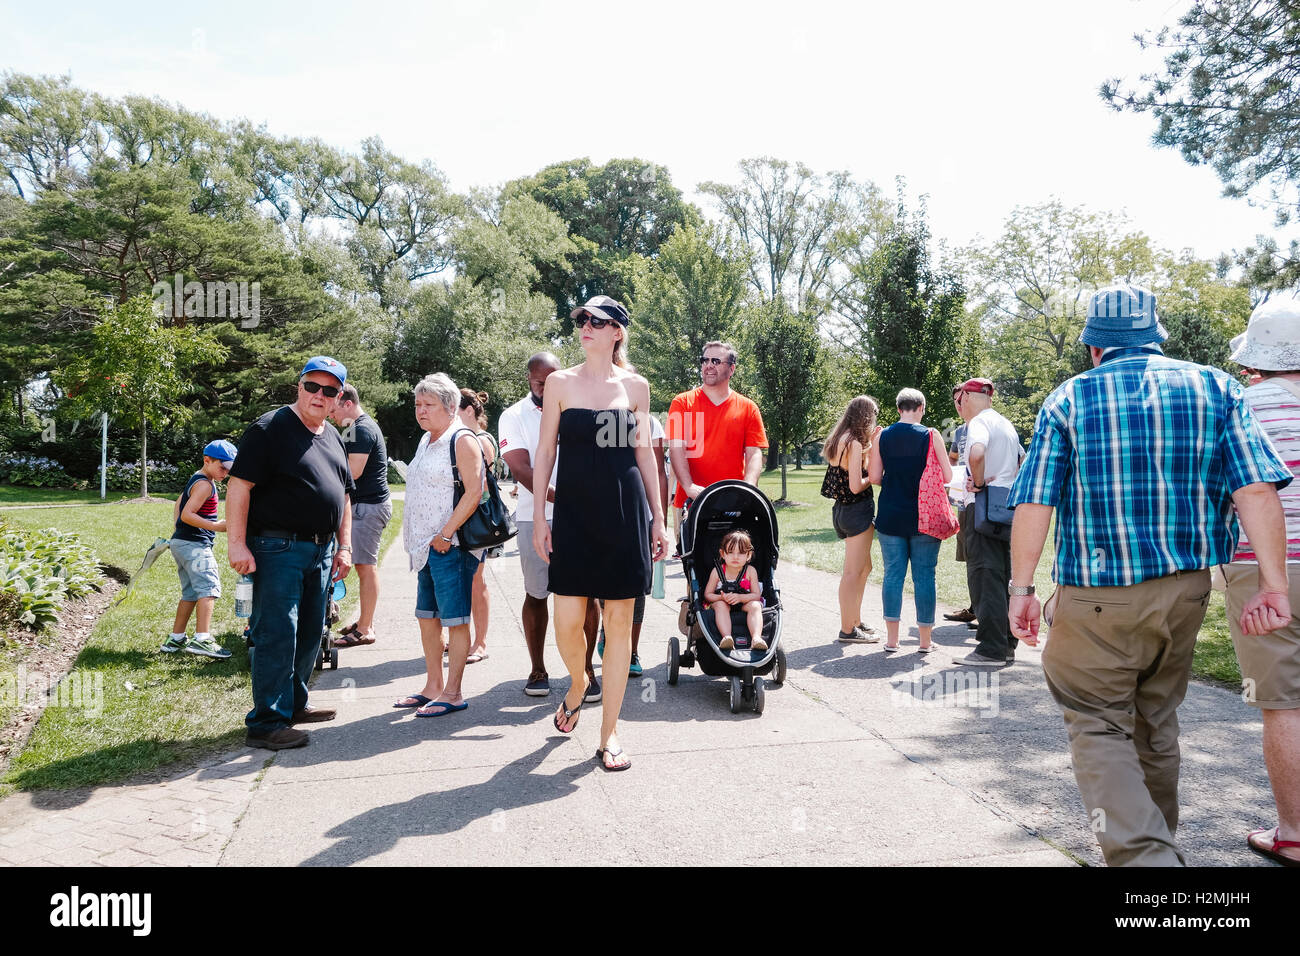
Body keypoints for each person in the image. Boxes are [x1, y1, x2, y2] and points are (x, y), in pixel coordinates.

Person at [1008, 284, 1292, 866]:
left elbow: (1034, 502)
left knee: (1096, 726)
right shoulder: (1217, 386)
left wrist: (1021, 589)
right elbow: (1256, 490)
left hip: (1096, 597)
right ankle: (1158, 843)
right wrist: (1273, 584)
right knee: (1155, 722)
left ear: (1093, 347)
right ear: (1157, 337)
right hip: (1186, 591)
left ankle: (1149, 868)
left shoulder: (1069, 398)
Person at [531, 295, 671, 772]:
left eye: (597, 321)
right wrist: (538, 517)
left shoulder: (636, 386)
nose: (586, 326)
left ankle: (609, 733)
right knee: (566, 620)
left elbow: (645, 454)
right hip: (571, 514)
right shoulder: (558, 383)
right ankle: (577, 683)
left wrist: (660, 517)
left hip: (624, 513)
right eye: (582, 320)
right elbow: (545, 451)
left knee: (618, 626)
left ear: (617, 333)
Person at [227, 356, 355, 750]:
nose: (320, 396)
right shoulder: (269, 429)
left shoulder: (331, 435)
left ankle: (293, 704)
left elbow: (344, 496)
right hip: (277, 547)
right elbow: (239, 487)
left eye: (329, 390)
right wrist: (236, 543)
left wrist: (345, 545)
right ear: (298, 387)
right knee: (277, 632)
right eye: (312, 387)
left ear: (337, 399)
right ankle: (266, 723)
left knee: (311, 631)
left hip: (321, 550)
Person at [1224, 295, 1300, 866]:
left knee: (1282, 705)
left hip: (1264, 566)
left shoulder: (1242, 406)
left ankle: (1293, 832)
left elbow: (1224, 493)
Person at [499, 354, 603, 700]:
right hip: (535, 515)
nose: (545, 388)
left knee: (587, 595)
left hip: (583, 515)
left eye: (551, 380)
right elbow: (519, 466)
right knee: (536, 592)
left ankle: (586, 670)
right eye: (538, 382)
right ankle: (538, 668)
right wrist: (560, 497)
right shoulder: (513, 416)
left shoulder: (580, 407)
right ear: (528, 379)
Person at [392, 373, 486, 717]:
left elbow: (474, 492)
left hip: (453, 546)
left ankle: (454, 691)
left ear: (450, 407)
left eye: (428, 404)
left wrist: (446, 534)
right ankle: (432, 685)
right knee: (427, 618)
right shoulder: (426, 440)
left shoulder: (461, 439)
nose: (420, 410)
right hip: (425, 548)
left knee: (456, 620)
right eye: (418, 404)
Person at [868, 388, 950, 653]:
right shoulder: (931, 435)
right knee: (924, 576)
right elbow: (947, 476)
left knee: (893, 575)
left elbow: (875, 477)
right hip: (924, 516)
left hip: (891, 514)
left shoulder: (882, 436)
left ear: (898, 408)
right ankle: (925, 641)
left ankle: (892, 640)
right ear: (922, 408)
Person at [955, 378, 1023, 667]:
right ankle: (1006, 644)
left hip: (982, 508)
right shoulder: (1006, 425)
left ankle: (990, 650)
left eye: (958, 401)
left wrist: (979, 483)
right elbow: (1023, 460)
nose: (958, 408)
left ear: (967, 398)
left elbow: (977, 453)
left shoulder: (978, 424)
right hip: (1007, 507)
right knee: (1005, 575)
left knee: (985, 576)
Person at [667, 341, 768, 522]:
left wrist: (748, 488)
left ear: (731, 369)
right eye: (704, 360)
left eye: (715, 361)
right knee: (690, 550)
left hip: (734, 502)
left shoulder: (748, 408)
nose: (708, 365)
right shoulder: (682, 403)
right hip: (691, 501)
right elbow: (676, 448)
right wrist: (689, 487)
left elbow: (754, 454)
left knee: (733, 551)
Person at [161, 439, 236, 659]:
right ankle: (202, 638)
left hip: (182, 542)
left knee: (190, 593)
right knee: (209, 587)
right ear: (207, 460)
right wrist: (216, 526)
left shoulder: (198, 478)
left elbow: (179, 503)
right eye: (222, 467)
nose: (225, 473)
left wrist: (178, 530)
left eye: (229, 469)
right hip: (195, 545)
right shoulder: (205, 485)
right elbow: (187, 513)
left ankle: (176, 638)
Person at [329, 383, 391, 648]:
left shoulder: (361, 429)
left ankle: (365, 628)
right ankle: (364, 622)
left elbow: (352, 472)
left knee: (366, 568)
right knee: (363, 566)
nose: (331, 415)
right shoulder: (358, 428)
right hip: (363, 507)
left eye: (334, 409)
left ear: (347, 403)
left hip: (368, 507)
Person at [821, 396, 883, 644]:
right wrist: (874, 477)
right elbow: (856, 485)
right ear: (865, 416)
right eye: (874, 414)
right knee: (852, 572)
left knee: (864, 568)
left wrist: (872, 443)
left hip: (842, 510)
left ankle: (855, 620)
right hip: (856, 509)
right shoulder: (854, 442)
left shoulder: (839, 438)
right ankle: (847, 629)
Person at [458, 387, 496, 664]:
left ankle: (481, 642)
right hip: (461, 518)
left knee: (476, 580)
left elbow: (481, 488)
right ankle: (464, 637)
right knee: (462, 581)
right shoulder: (464, 438)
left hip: (476, 521)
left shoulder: (481, 440)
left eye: (454, 409)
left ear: (468, 411)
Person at [943, 385, 977, 627]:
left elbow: (1020, 459)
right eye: (955, 400)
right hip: (964, 504)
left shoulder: (993, 426)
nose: (958, 404)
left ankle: (992, 612)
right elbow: (952, 457)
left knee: (987, 558)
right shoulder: (960, 432)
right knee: (970, 556)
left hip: (987, 503)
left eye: (961, 399)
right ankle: (976, 607)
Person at [704, 529, 766, 652]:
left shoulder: (750, 571)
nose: (736, 557)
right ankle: (727, 637)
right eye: (731, 552)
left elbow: (756, 595)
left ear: (748, 555)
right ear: (723, 554)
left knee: (755, 606)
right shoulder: (717, 572)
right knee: (721, 605)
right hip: (722, 602)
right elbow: (707, 595)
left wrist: (740, 598)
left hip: (744, 604)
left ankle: (756, 638)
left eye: (741, 553)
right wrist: (721, 598)